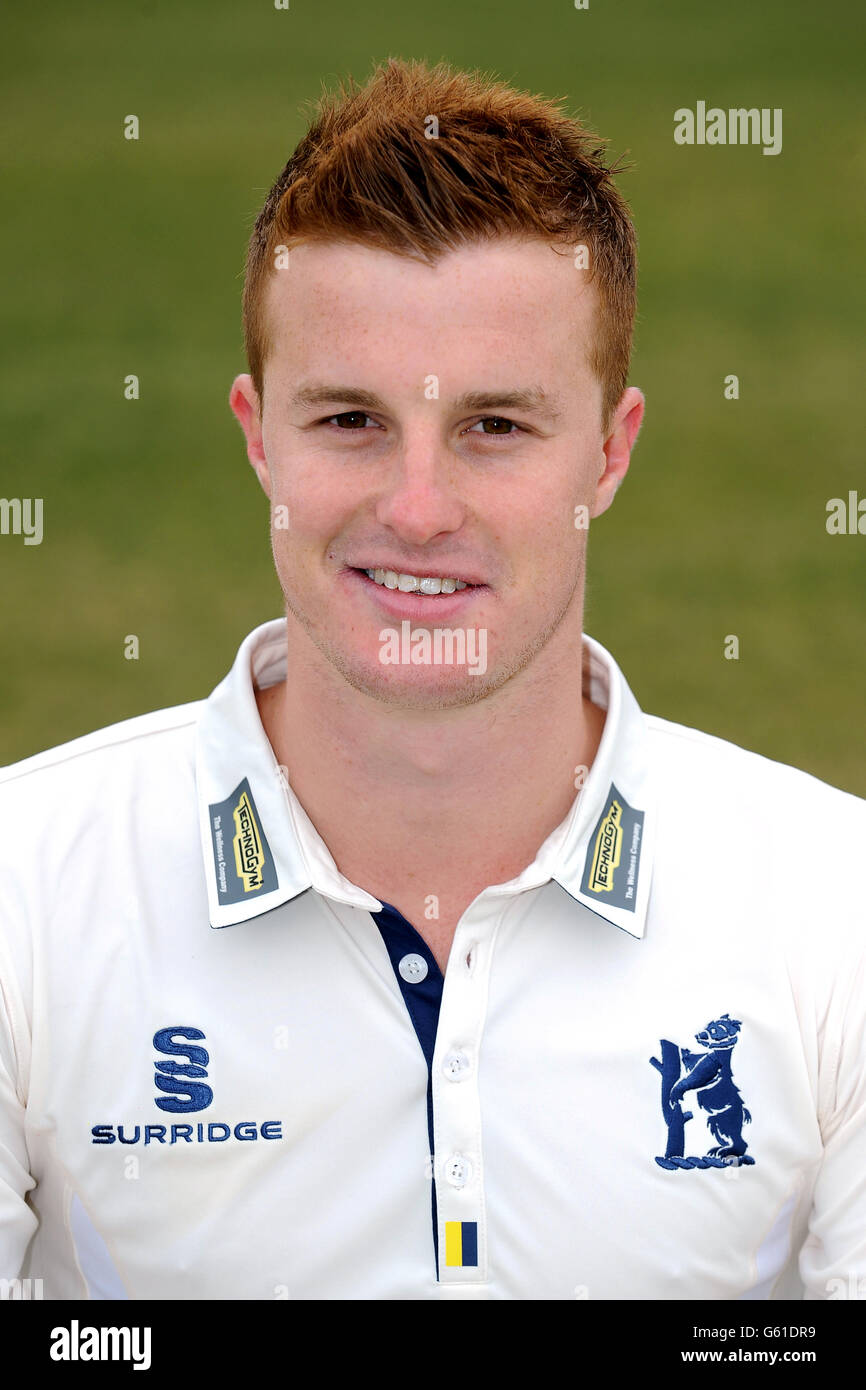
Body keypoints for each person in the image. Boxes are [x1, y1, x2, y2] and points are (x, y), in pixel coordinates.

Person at [0, 57, 863, 1302]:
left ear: (608, 453)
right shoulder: (25, 893)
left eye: (493, 427)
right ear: (257, 435)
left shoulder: (830, 905)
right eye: (348, 420)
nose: (414, 510)